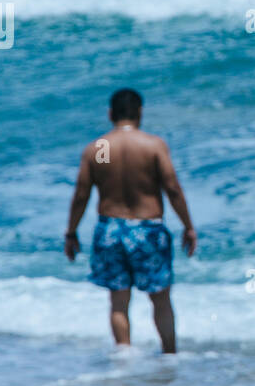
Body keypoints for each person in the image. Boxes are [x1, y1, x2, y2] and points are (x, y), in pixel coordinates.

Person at [64, 88, 197, 353]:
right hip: (148, 228)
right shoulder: (153, 145)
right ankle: (169, 355)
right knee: (160, 299)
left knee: (118, 300)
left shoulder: (98, 148)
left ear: (110, 114)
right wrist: (188, 226)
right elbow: (172, 188)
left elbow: (81, 195)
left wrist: (71, 232)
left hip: (110, 229)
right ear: (140, 112)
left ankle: (124, 358)